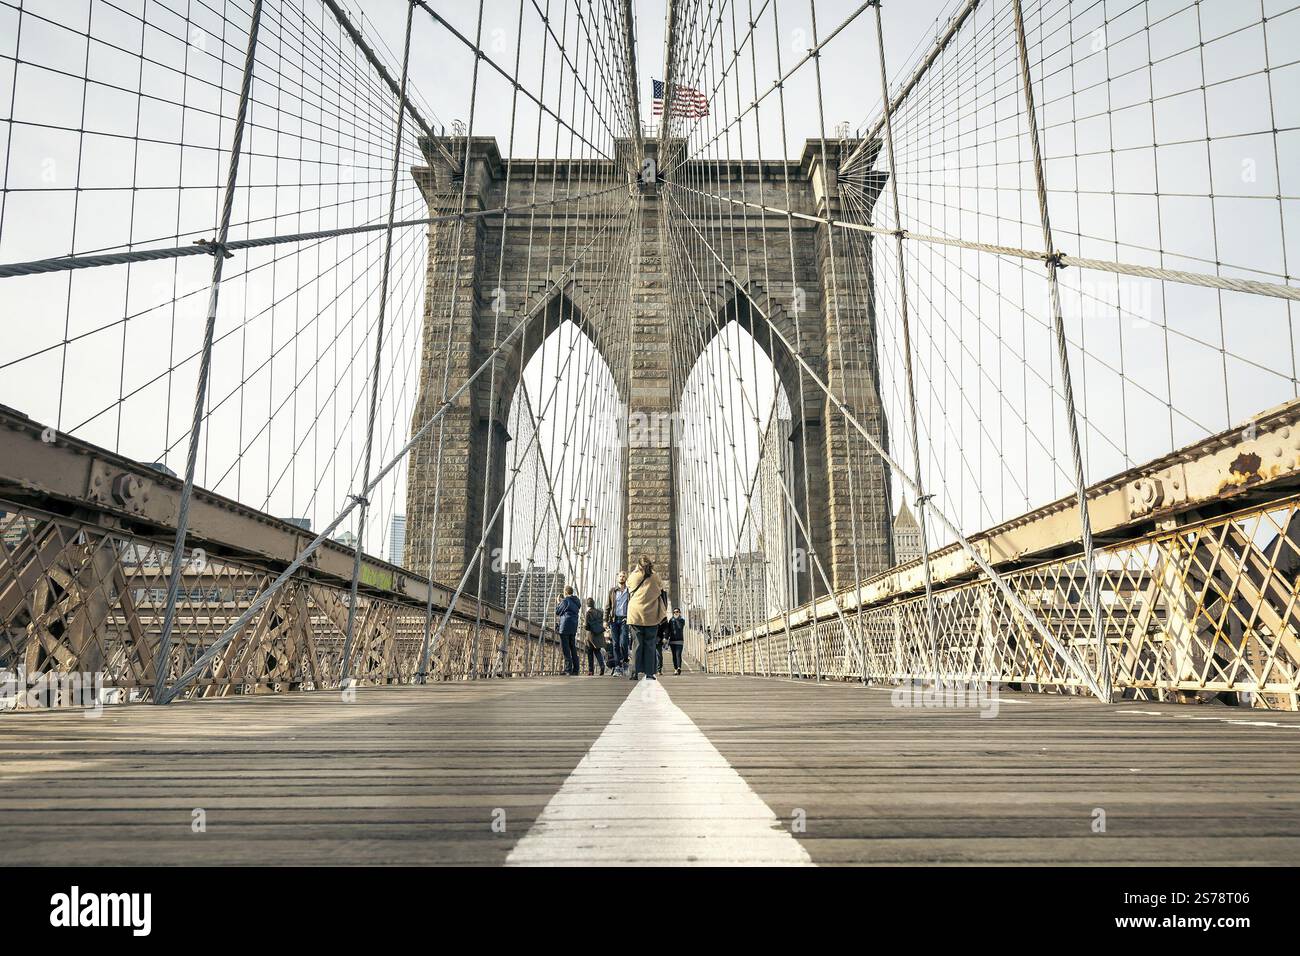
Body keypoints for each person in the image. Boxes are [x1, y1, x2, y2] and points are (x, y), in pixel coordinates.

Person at [625, 555, 665, 681]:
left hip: (635, 615)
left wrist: (637, 570)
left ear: (639, 565)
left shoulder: (634, 576)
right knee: (650, 645)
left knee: (637, 644)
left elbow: (628, 585)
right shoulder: (655, 577)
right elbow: (661, 588)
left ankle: (634, 673)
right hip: (651, 616)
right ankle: (649, 673)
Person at [605, 570, 631, 676]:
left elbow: (633, 606)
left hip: (625, 619)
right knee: (615, 644)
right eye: (620, 576)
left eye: (623, 576)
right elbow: (608, 606)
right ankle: (617, 667)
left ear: (626, 578)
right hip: (614, 620)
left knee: (624, 642)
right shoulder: (612, 591)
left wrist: (629, 618)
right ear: (617, 578)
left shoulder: (629, 591)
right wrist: (605, 620)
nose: (622, 577)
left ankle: (625, 660)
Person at [554, 586, 581, 676]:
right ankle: (576, 669)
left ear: (565, 592)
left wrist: (559, 602)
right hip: (573, 627)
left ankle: (568, 669)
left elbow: (558, 611)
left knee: (566, 649)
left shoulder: (565, 601)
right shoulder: (577, 602)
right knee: (573, 648)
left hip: (565, 626)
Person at [583, 597, 606, 676]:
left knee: (590, 652)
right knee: (597, 651)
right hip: (599, 634)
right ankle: (602, 665)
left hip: (591, 635)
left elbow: (586, 626)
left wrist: (584, 626)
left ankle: (591, 671)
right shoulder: (600, 612)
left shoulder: (588, 613)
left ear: (587, 604)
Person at [668, 607, 686, 675]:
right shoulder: (670, 620)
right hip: (672, 640)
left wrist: (677, 619)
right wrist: (666, 638)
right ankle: (675, 669)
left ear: (679, 612)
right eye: (675, 612)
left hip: (679, 640)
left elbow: (680, 627)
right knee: (674, 656)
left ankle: (679, 668)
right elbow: (668, 630)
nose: (676, 613)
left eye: (677, 612)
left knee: (678, 654)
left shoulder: (682, 620)